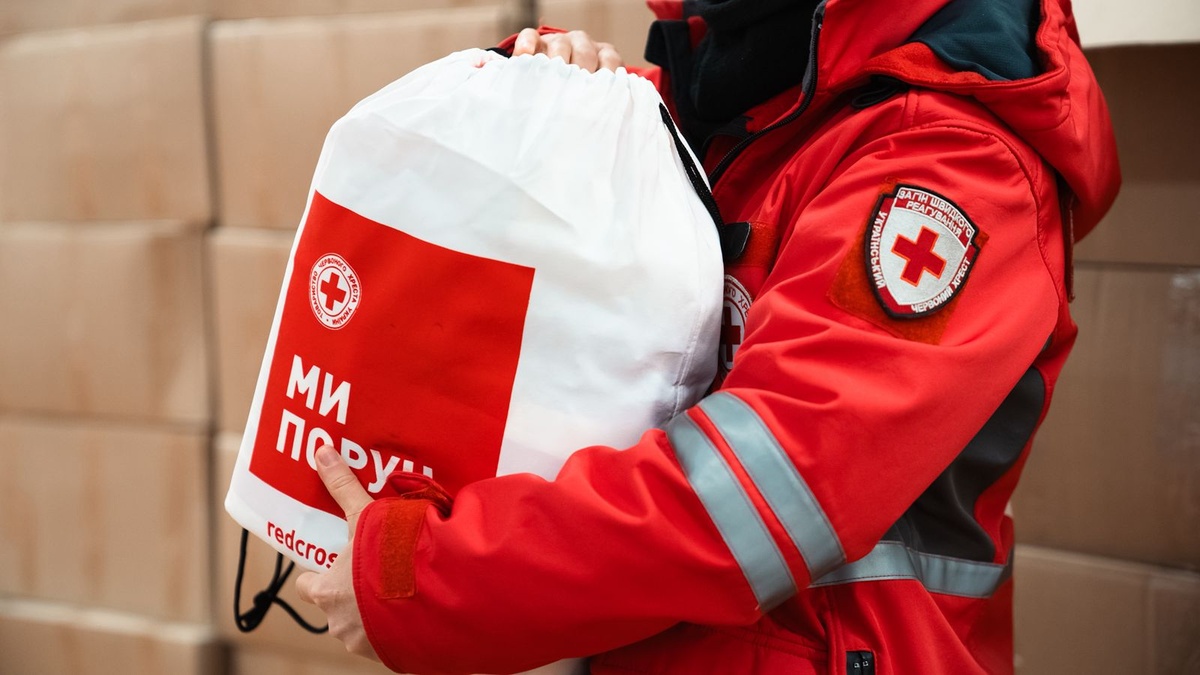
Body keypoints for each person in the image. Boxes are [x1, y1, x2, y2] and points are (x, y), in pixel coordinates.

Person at [294, 0, 1121, 672]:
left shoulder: (948, 166)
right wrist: (536, 107)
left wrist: (429, 577)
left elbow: (757, 496)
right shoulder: (739, 102)